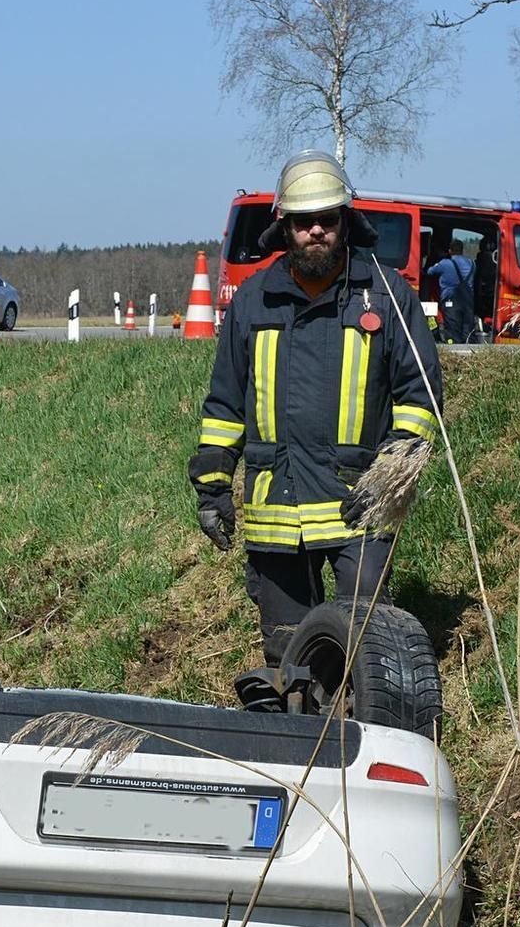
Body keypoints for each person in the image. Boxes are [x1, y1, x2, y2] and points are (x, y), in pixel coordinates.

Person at [188, 149, 442, 675]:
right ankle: (295, 717)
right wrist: (212, 489)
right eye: (305, 222)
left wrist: (388, 478)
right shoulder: (253, 301)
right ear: (285, 227)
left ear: (346, 222)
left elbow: (420, 397)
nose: (317, 231)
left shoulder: (386, 297)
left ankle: (364, 721)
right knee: (287, 653)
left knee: (367, 645)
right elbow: (224, 406)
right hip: (275, 510)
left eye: (328, 219)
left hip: (359, 503)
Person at [427, 238, 475, 345]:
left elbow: (429, 271)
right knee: (467, 330)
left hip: (451, 299)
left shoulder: (445, 263)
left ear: (450, 251)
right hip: (468, 301)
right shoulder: (472, 263)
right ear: (462, 250)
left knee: (453, 330)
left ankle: (454, 349)